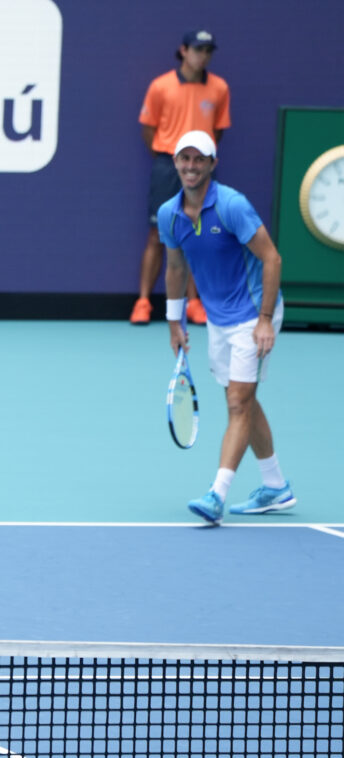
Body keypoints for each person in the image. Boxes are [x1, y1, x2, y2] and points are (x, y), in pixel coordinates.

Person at [158, 130, 296, 524]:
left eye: (198, 159)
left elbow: (272, 259)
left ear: (212, 164)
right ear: (176, 163)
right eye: (184, 158)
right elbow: (176, 266)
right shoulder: (170, 214)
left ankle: (216, 494)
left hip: (254, 315)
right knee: (243, 399)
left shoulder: (233, 206)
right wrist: (174, 322)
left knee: (237, 402)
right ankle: (276, 486)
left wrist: (266, 320)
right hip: (218, 321)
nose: (190, 166)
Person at [132, 29, 231, 326]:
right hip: (167, 164)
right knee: (157, 234)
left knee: (197, 234)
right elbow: (149, 129)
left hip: (200, 168)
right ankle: (143, 302)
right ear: (184, 51)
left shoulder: (219, 88)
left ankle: (194, 303)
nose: (204, 56)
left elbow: (219, 130)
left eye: (208, 51)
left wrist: (197, 163)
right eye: (198, 49)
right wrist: (173, 160)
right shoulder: (161, 86)